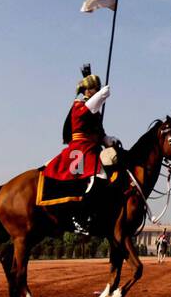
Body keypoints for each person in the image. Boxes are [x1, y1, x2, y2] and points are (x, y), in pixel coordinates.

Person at [41, 69, 121, 234]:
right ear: (87, 91)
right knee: (99, 178)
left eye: (99, 89)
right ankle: (79, 217)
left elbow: (99, 132)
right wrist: (101, 96)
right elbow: (86, 110)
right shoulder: (78, 105)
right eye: (95, 89)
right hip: (80, 150)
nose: (97, 91)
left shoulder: (95, 112)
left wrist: (108, 139)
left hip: (92, 149)